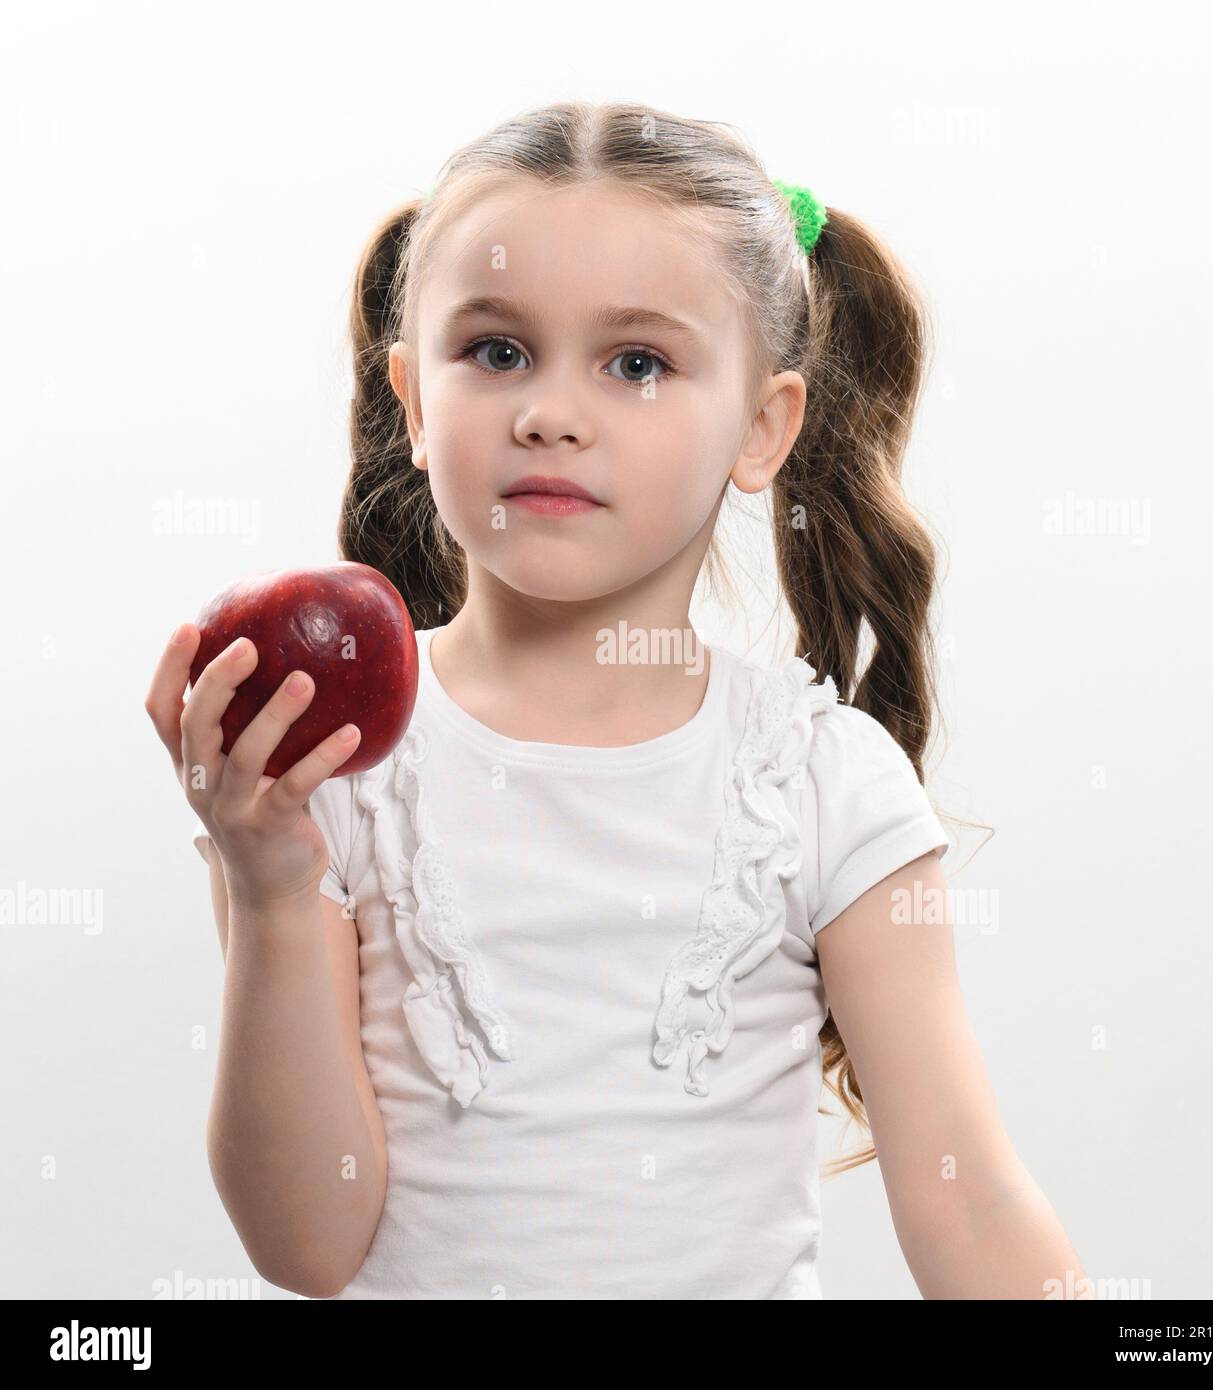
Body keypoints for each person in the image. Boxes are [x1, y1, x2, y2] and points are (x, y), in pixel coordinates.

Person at [144, 99, 1089, 1300]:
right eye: (494, 351)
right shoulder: (330, 770)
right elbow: (306, 1246)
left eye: (636, 363)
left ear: (762, 428)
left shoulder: (821, 781)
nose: (550, 411)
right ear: (415, 406)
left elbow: (971, 1200)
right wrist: (269, 883)